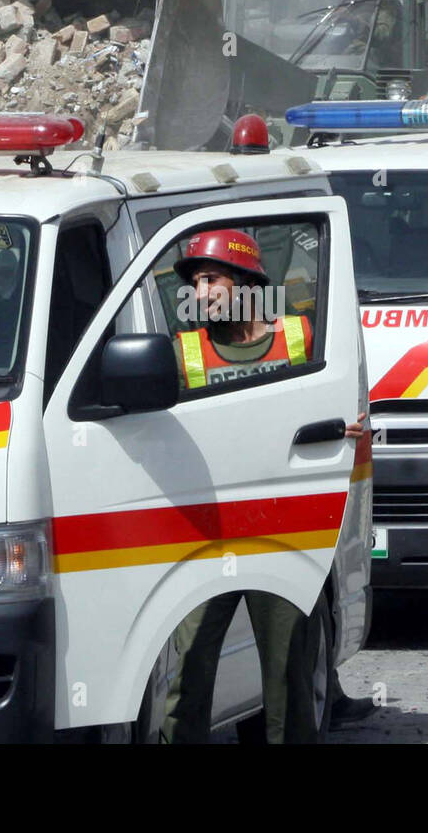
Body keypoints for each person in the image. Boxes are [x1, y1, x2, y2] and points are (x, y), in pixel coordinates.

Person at [161, 229, 364, 742]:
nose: (200, 293)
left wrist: (345, 427)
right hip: (207, 533)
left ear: (248, 284)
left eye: (212, 279)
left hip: (282, 528)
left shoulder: (299, 339)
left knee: (288, 671)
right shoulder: (183, 352)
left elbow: (331, 409)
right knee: (188, 667)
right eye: (196, 282)